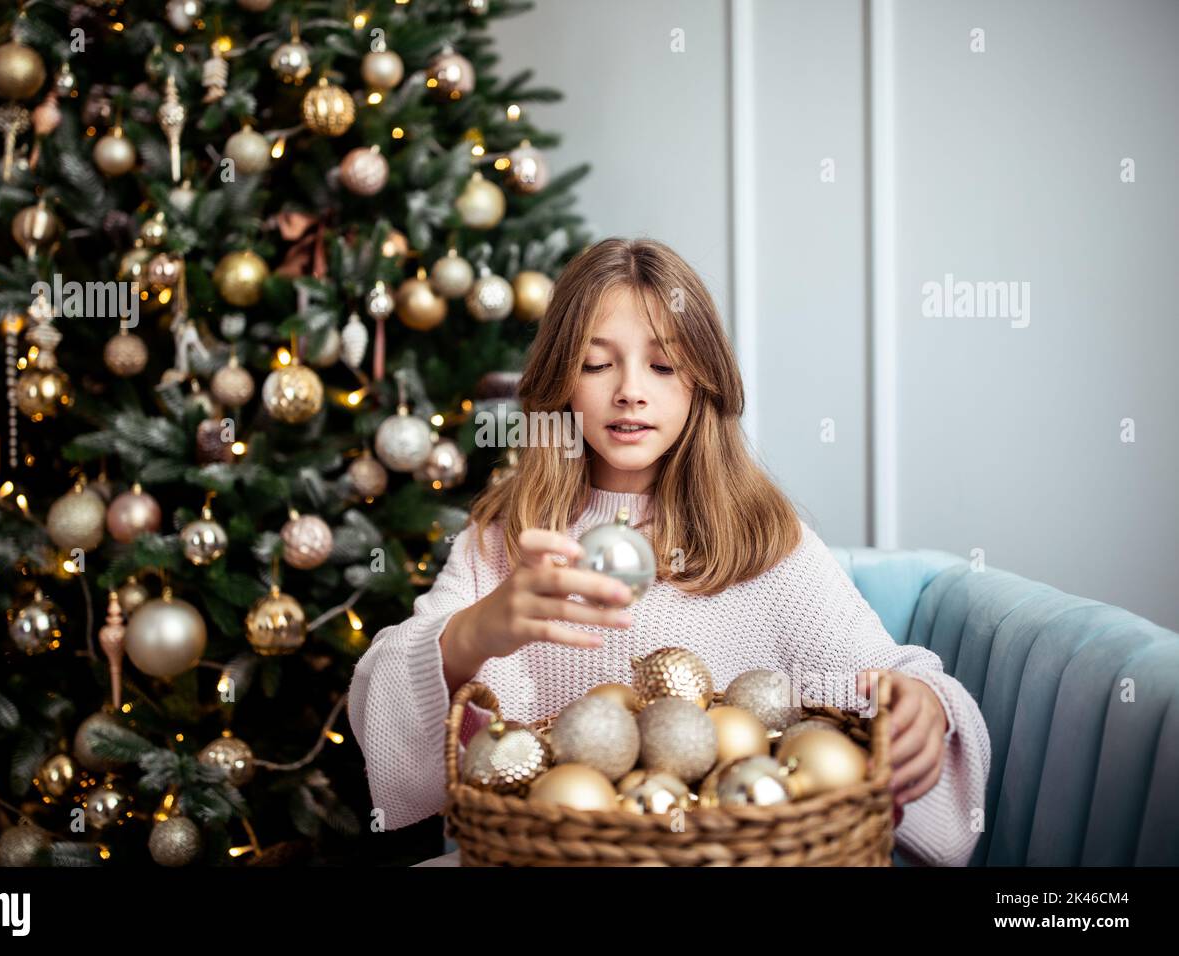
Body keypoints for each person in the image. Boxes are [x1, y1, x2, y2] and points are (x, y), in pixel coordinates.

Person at [348, 237, 990, 866]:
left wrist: (925, 707)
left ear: (702, 382)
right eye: (598, 364)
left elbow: (890, 670)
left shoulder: (763, 541)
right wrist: (473, 632)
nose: (630, 390)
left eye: (662, 365)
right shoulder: (503, 543)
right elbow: (378, 699)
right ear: (560, 383)